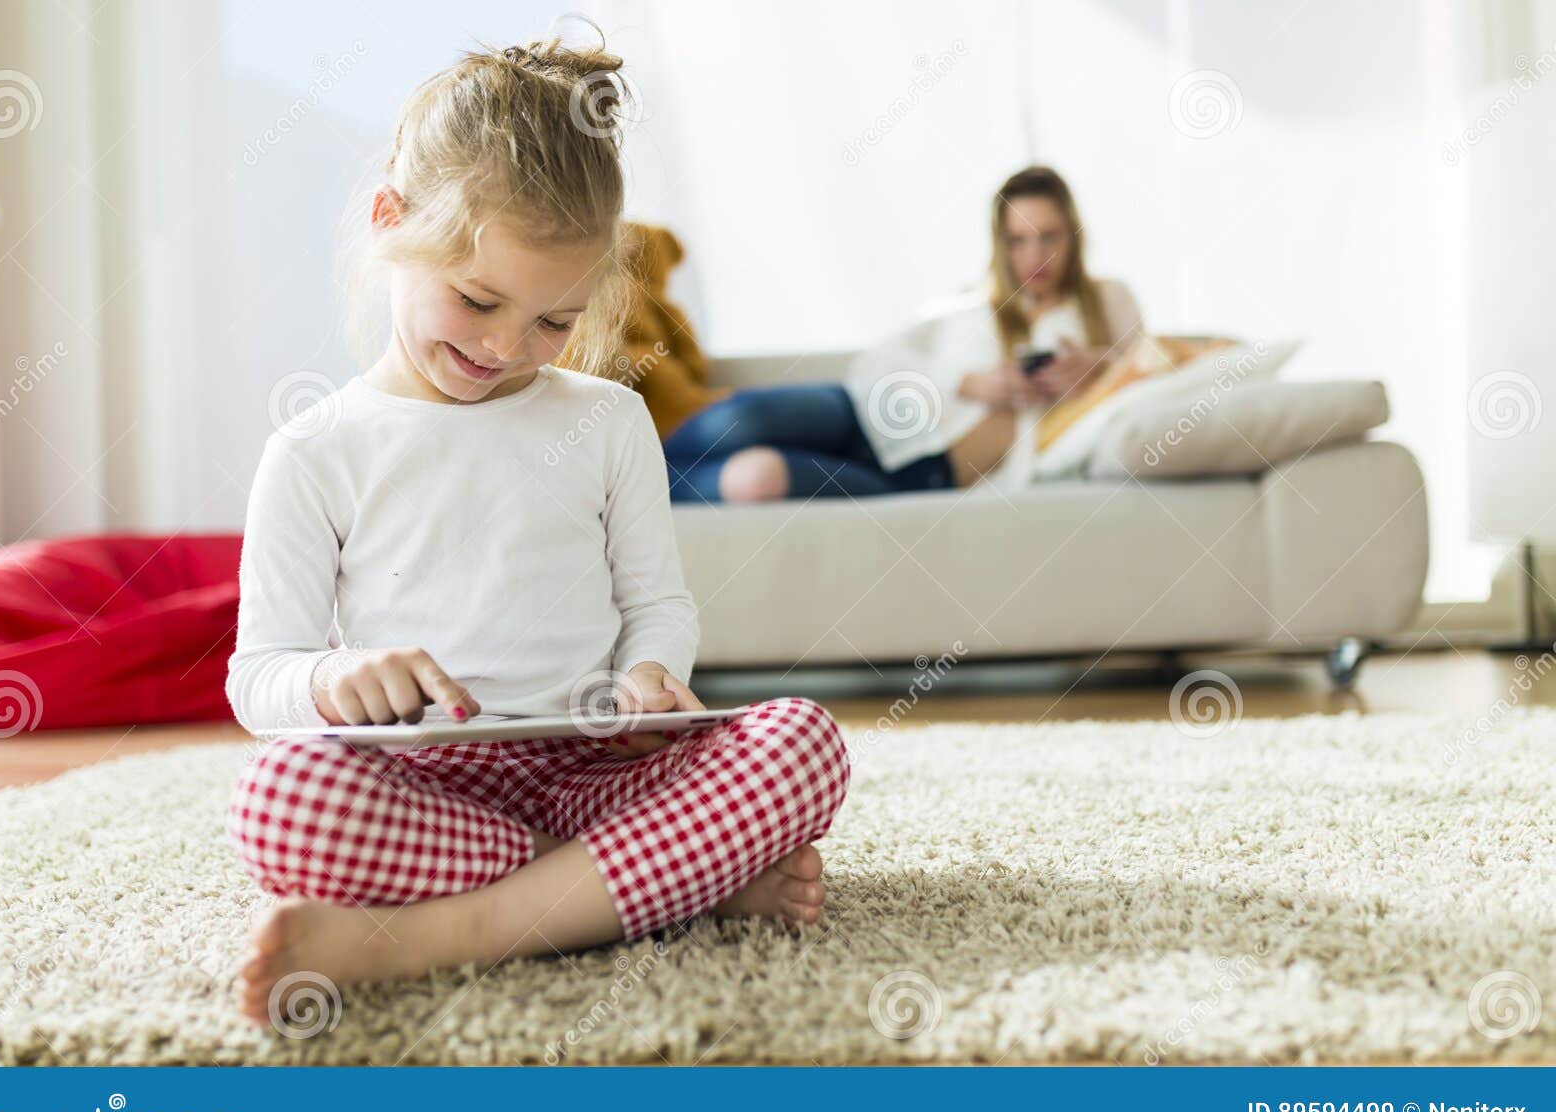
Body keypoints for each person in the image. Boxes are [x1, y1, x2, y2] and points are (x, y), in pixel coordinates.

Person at [223, 36, 850, 1025]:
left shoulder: (605, 420)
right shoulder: (315, 450)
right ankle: (667, 884)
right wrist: (328, 679)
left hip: (602, 769)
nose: (505, 348)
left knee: (800, 741)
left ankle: (430, 935)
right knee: (279, 798)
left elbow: (656, 604)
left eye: (553, 320)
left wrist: (651, 673)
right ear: (389, 221)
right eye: (476, 299)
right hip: (433, 790)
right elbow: (259, 677)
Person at [661, 165, 1143, 501]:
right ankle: (620, 476)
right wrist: (971, 383)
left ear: (1073, 234)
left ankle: (634, 497)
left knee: (755, 480)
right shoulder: (970, 302)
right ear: (1000, 243)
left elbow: (1163, 370)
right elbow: (875, 363)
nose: (1034, 256)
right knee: (745, 421)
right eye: (1018, 240)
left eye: (1049, 236)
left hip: (923, 477)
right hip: (864, 413)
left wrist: (1099, 366)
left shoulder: (1107, 301)